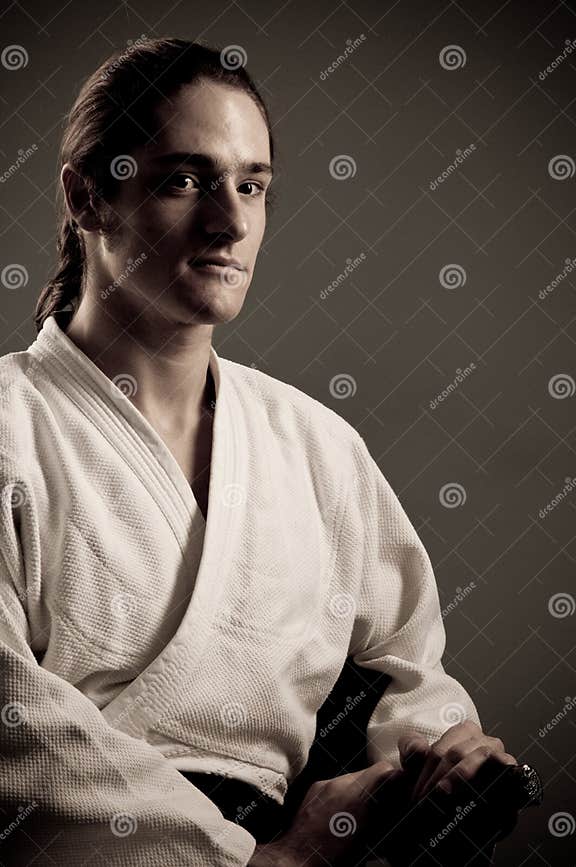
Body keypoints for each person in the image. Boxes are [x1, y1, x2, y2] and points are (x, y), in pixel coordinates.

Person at [0, 37, 539, 866]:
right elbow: (14, 723)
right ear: (86, 196)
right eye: (185, 180)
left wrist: (444, 761)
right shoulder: (11, 427)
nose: (232, 221)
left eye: (252, 184)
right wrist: (253, 859)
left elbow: (407, 671)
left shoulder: (318, 446)